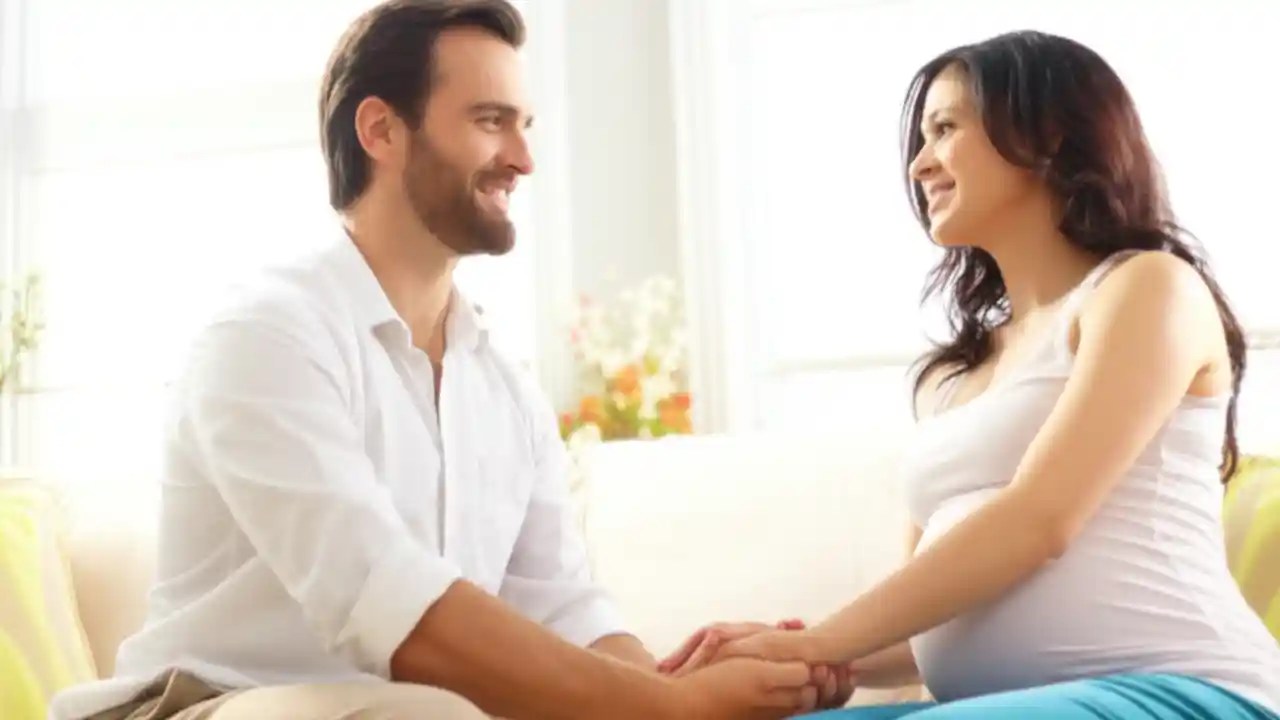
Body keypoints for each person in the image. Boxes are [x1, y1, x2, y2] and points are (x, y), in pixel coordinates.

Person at [49, 2, 822, 719]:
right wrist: (674, 709)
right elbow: (388, 604)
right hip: (200, 704)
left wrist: (679, 685)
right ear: (381, 131)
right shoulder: (268, 336)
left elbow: (564, 611)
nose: (523, 158)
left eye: (524, 125)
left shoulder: (504, 389)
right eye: (490, 121)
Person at [660, 30, 1280, 719]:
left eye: (945, 129)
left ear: (1046, 134)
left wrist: (819, 641)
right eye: (921, 139)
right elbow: (926, 620)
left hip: (1184, 690)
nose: (919, 163)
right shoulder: (953, 377)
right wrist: (807, 658)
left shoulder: (1147, 288)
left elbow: (1040, 519)